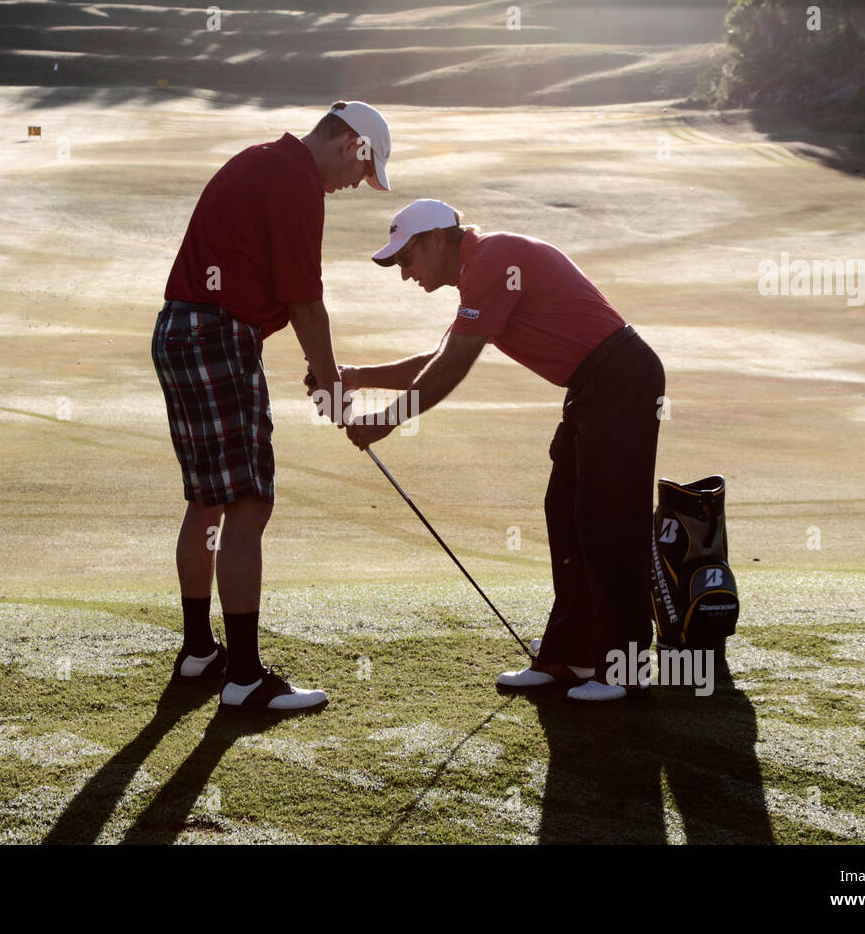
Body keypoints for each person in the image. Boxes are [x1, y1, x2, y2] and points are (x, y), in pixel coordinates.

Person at [342, 198, 664, 701]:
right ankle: (573, 655)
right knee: (566, 510)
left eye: (406, 259)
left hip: (623, 378)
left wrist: (384, 422)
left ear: (435, 241)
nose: (404, 274)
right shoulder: (480, 268)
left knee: (607, 518)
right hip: (594, 385)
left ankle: (625, 664)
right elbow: (439, 356)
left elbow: (452, 368)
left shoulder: (491, 261)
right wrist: (358, 378)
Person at [152, 101, 393, 711]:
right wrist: (335, 385)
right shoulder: (295, 179)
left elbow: (278, 291)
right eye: (360, 173)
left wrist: (320, 369)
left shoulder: (265, 162)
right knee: (249, 503)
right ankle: (244, 678)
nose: (352, 187)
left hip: (180, 331)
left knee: (209, 496)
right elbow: (305, 299)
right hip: (216, 337)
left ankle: (200, 651)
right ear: (348, 143)